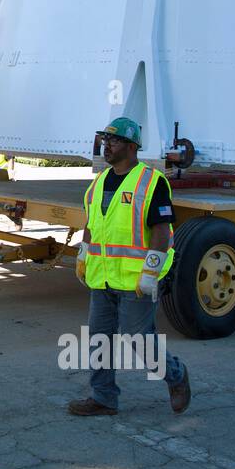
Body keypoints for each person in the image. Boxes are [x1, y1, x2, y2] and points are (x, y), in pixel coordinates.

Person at [68, 116, 190, 416]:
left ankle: (176, 375)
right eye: (104, 139)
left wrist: (150, 273)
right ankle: (104, 398)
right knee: (99, 338)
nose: (106, 145)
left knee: (139, 341)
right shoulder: (98, 183)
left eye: (114, 140)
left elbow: (162, 231)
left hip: (137, 280)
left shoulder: (151, 182)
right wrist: (84, 254)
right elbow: (92, 224)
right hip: (103, 278)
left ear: (132, 146)